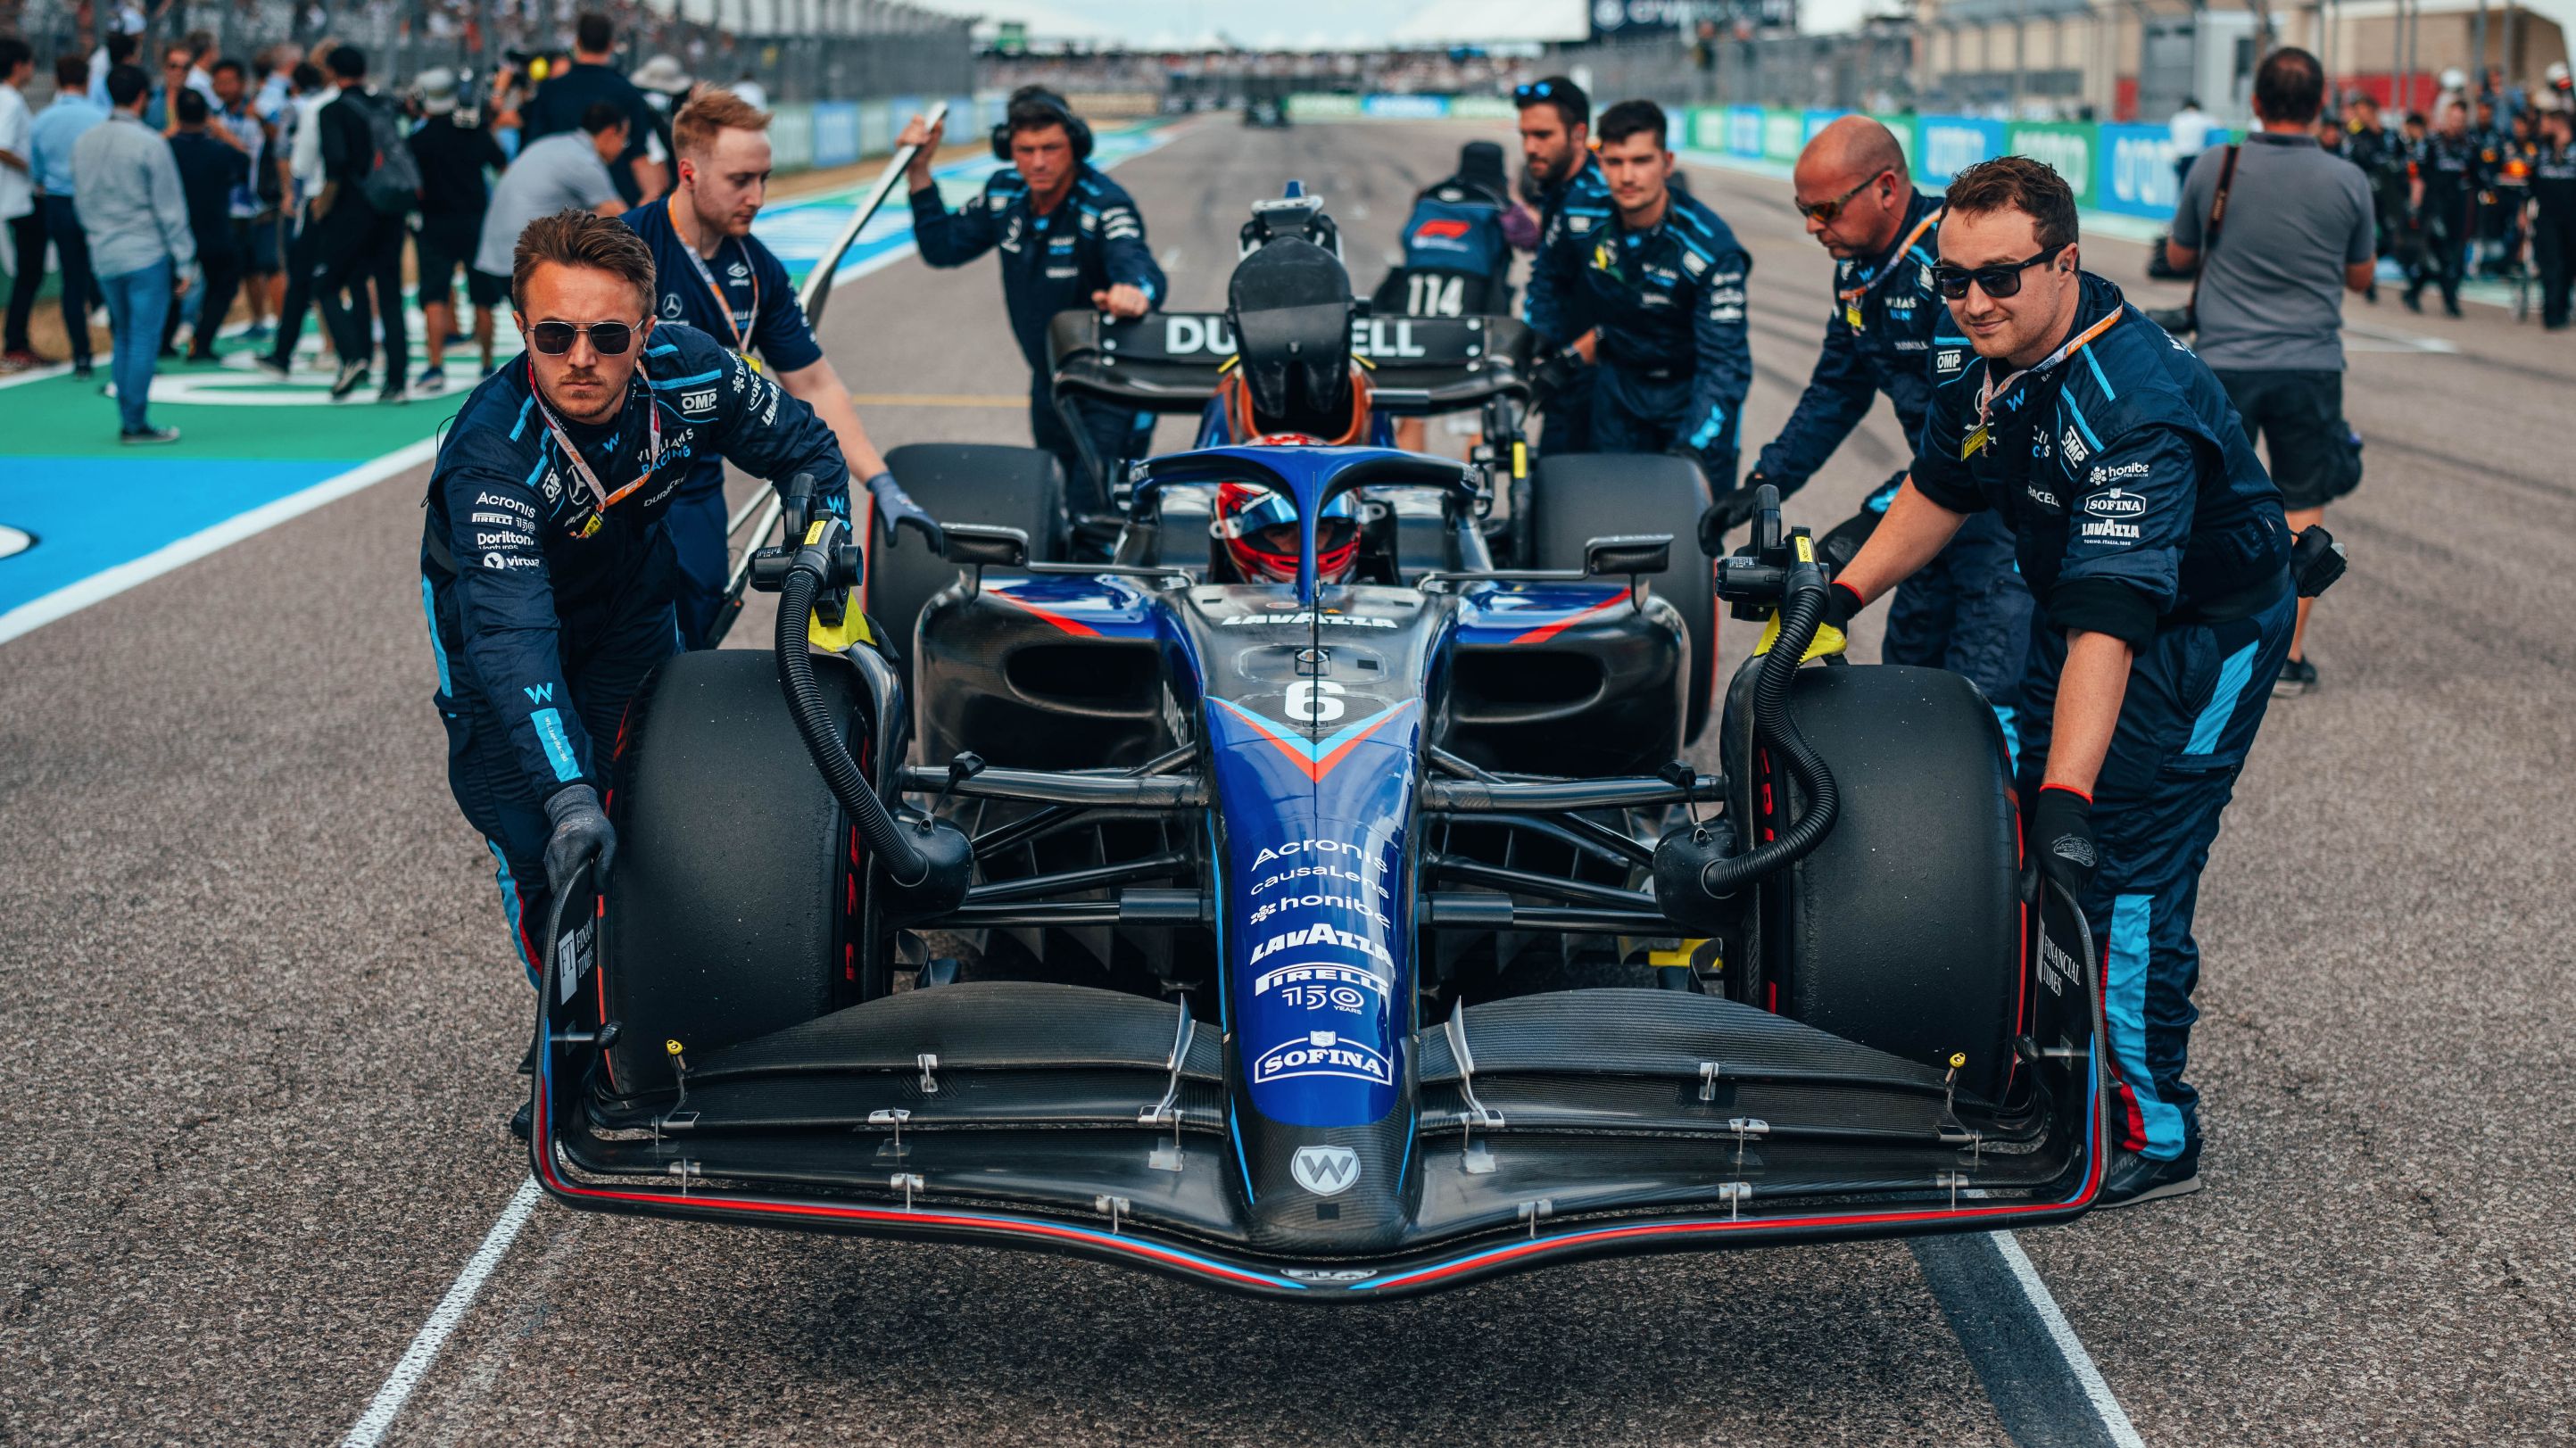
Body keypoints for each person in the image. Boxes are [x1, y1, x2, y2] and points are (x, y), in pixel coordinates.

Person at [1826, 157, 2299, 1209]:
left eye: (2000, 278)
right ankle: (2054, 1067)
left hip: (2195, 637)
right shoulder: (1992, 349)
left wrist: (2068, 800)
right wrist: (1840, 594)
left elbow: (2109, 627)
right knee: (2027, 825)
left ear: (2066, 264)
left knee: (2118, 863)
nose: (1973, 301)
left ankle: (2154, 1128)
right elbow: (1941, 485)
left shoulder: (2137, 405)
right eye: (1953, 280)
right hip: (2083, 608)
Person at [420, 210, 847, 1032]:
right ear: (520, 329)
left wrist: (822, 534)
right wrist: (569, 794)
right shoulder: (488, 455)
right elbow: (513, 636)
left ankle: (654, 1000)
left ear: (647, 330)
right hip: (499, 640)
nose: (581, 359)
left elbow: (807, 447)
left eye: (609, 337)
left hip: (628, 612)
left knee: (649, 815)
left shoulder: (691, 369)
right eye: (554, 334)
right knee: (551, 840)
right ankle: (573, 1040)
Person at [1716, 115, 2032, 749]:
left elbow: (1981, 429)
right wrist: (1763, 479)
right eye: (1803, 210)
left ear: (1885, 188)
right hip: (1927, 519)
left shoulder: (1955, 269)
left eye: (1824, 209)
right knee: (1907, 688)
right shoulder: (1856, 271)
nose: (1811, 226)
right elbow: (1837, 388)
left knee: (1984, 712)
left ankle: (2001, 846)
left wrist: (1874, 518)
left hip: (2002, 520)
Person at [622, 87, 896, 649]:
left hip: (694, 488)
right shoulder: (625, 250)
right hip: (614, 488)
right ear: (689, 171)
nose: (758, 196)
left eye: (764, 178)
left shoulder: (758, 267)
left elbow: (814, 382)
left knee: (692, 650)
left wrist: (883, 482)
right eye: (740, 180)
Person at [2166, 48, 2372, 700]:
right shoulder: (2347, 179)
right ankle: (2286, 655)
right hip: (2309, 361)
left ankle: (2195, 645)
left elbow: (2178, 253)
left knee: (2205, 496)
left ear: (2254, 102)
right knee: (2301, 497)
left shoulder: (2215, 164)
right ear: (2319, 106)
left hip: (2223, 360)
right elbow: (2362, 275)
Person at [900, 88, 1165, 517]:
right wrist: (919, 170)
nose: (1038, 162)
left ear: (1075, 146)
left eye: (1051, 148)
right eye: (1025, 150)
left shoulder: (1103, 203)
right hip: (1049, 381)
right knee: (1055, 508)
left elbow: (1138, 263)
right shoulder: (1004, 193)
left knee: (1098, 514)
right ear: (1010, 150)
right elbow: (942, 247)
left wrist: (1134, 290)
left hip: (1111, 388)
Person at [1524, 99, 1750, 493]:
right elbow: (1548, 278)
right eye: (1615, 162)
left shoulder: (1711, 247)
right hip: (1619, 390)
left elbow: (1725, 366)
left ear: (1667, 162)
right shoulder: (1581, 215)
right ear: (1601, 162)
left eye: (1641, 160)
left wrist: (1692, 445)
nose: (1627, 176)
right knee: (1614, 522)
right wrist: (1540, 340)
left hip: (1690, 392)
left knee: (1691, 530)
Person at [264, 45, 407, 401]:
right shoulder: (384, 104)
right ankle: (396, 380)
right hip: (389, 207)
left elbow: (337, 164)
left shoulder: (332, 111)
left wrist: (322, 205)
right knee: (388, 293)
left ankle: (354, 354)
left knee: (327, 284)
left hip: (352, 211)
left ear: (331, 72)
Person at [72, 62, 192, 443]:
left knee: (124, 333)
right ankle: (134, 420)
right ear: (143, 97)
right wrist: (186, 259)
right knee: (142, 337)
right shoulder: (150, 143)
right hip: (145, 253)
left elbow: (80, 199)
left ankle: (130, 413)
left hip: (103, 252)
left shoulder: (84, 141)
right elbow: (170, 207)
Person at [1513, 74, 1607, 454]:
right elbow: (1550, 281)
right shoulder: (1558, 192)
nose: (1530, 147)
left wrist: (1566, 362)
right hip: (1568, 378)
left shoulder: (1598, 199)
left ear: (1578, 134)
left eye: (1543, 135)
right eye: (1525, 135)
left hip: (1602, 388)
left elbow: (1629, 304)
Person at [472, 102, 627, 321]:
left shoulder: (555, 144)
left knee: (543, 332)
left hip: (497, 251)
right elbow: (622, 219)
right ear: (612, 132)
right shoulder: (583, 160)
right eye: (624, 140)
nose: (622, 148)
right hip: (523, 257)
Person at [407, 66, 509, 389]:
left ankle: (435, 366)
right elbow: (502, 163)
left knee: (434, 296)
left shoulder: (418, 139)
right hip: (475, 222)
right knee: (482, 297)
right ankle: (487, 364)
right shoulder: (473, 131)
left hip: (434, 223)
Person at [518, 12, 662, 206]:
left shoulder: (551, 89)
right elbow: (638, 155)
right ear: (611, 45)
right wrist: (647, 200)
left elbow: (534, 145)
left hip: (559, 201)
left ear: (577, 43)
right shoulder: (627, 92)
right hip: (614, 198)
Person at [28, 54, 106, 376]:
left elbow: (37, 173)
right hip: (96, 204)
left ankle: (82, 356)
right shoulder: (100, 117)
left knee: (72, 282)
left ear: (58, 80)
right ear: (87, 81)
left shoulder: (42, 120)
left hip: (59, 205)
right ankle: (128, 351)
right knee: (107, 276)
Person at [162, 87, 244, 361]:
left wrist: (169, 131)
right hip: (213, 228)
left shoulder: (166, 148)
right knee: (223, 284)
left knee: (170, 284)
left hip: (175, 228)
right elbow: (245, 161)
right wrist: (222, 133)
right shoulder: (219, 151)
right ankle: (203, 341)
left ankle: (165, 341)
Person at [208, 58, 276, 342]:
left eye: (229, 81)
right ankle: (256, 318)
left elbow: (274, 142)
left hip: (259, 202)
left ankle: (274, 321)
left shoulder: (256, 113)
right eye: (218, 82)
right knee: (244, 268)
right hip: (228, 204)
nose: (223, 88)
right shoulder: (214, 115)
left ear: (242, 83)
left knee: (267, 264)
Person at [2407, 100, 2480, 316]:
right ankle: (2450, 302)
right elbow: (2419, 174)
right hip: (2434, 204)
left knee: (2452, 253)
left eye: (2461, 120)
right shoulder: (2431, 141)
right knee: (2441, 254)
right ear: (2446, 117)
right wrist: (2416, 204)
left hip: (2457, 205)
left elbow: (2476, 175)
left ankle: (2414, 292)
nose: (2457, 124)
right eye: (2454, 118)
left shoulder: (2469, 144)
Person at [0, 37, 39, 370]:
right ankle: (15, 343)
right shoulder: (9, 101)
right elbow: (2, 145)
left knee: (28, 273)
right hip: (17, 201)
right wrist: (33, 169)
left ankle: (17, 342)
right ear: (18, 66)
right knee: (28, 273)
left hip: (13, 201)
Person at [2533, 108, 2576, 329]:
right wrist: (2524, 211)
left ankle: (2562, 308)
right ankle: (2550, 312)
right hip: (2547, 218)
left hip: (2572, 218)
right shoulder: (2541, 151)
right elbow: (2531, 185)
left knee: (2569, 265)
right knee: (2552, 264)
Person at [2168, 95, 2212, 190]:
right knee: (2195, 187)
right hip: (2195, 157)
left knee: (2182, 187)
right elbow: (2218, 125)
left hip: (2179, 157)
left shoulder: (2177, 118)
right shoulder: (2202, 118)